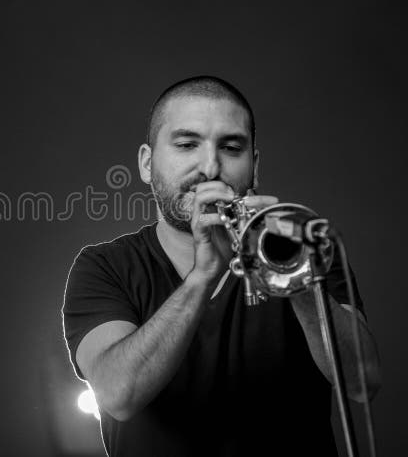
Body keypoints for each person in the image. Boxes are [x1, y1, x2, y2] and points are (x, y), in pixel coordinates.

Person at [61, 76, 381, 457]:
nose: (210, 166)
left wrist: (291, 274)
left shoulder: (306, 249)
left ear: (254, 166)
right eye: (186, 145)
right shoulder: (103, 266)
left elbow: (362, 383)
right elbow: (118, 394)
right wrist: (203, 276)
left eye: (231, 147)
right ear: (147, 164)